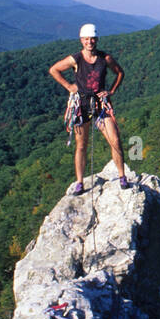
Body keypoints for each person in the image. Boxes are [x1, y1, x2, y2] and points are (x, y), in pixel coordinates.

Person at [48, 23, 129, 194]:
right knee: (81, 145)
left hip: (100, 104)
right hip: (81, 104)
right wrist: (69, 86)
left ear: (96, 39)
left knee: (115, 140)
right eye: (86, 39)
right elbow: (54, 70)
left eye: (92, 39)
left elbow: (119, 72)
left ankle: (122, 176)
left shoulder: (104, 59)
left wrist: (111, 91)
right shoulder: (76, 59)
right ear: (81, 40)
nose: (89, 42)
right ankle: (79, 182)